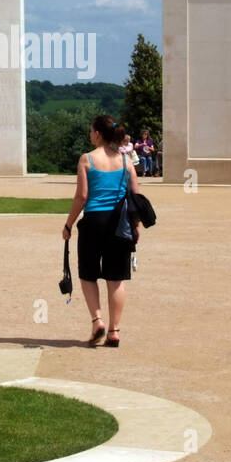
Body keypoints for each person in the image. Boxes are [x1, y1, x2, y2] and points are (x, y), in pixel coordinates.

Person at [63, 115, 140, 348]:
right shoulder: (126, 161)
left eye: (90, 131)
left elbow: (82, 196)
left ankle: (97, 321)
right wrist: (135, 226)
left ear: (97, 133)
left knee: (88, 273)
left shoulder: (87, 159)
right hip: (119, 223)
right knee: (116, 278)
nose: (90, 135)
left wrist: (68, 224)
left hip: (94, 221)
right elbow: (136, 195)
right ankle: (115, 330)